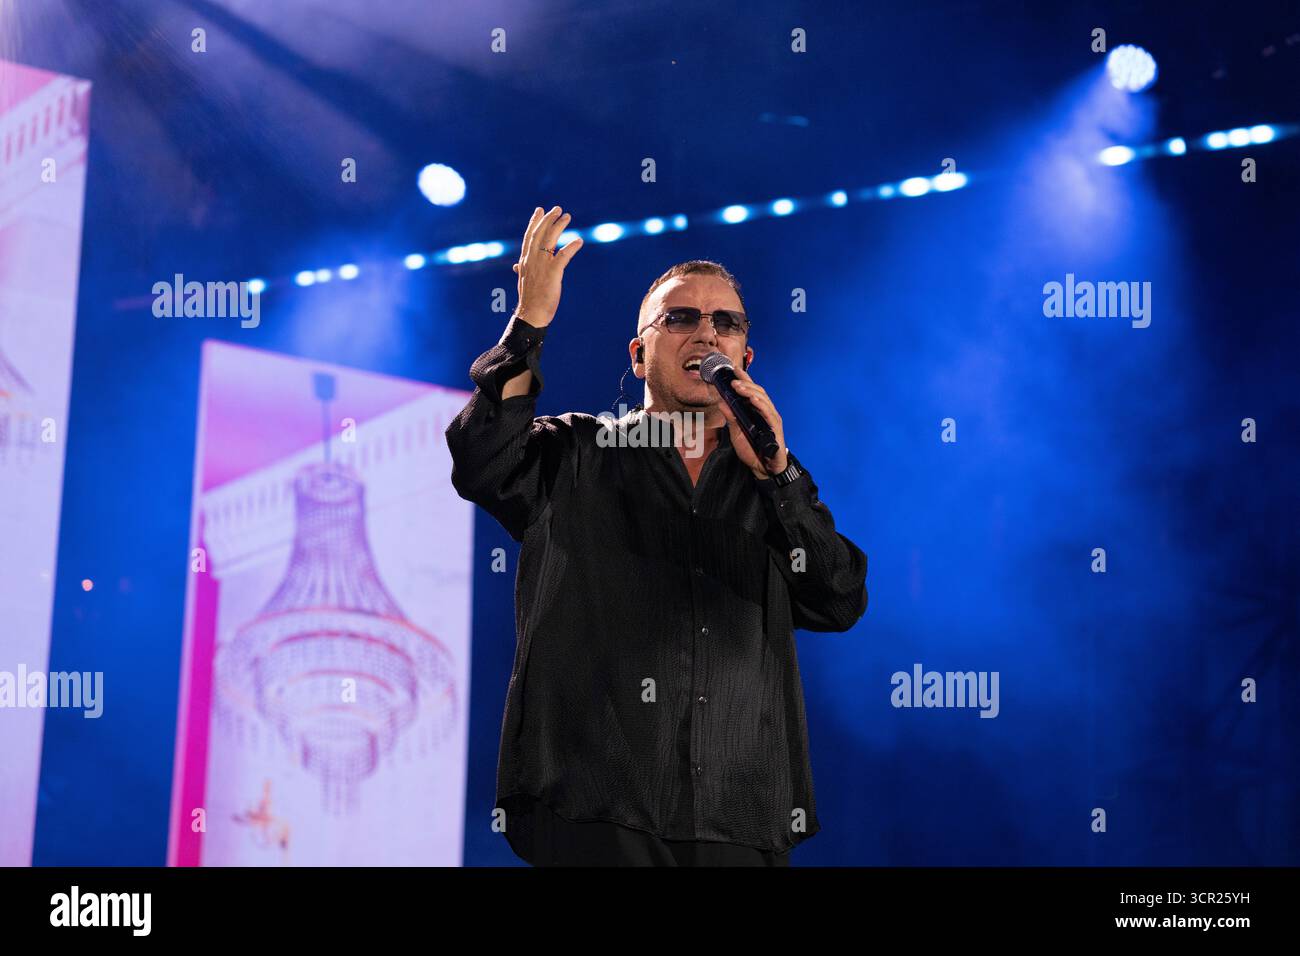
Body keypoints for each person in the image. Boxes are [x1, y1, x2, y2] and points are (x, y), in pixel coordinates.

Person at [445, 205, 868, 866]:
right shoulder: (575, 452)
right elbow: (482, 459)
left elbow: (838, 600)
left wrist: (780, 477)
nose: (706, 332)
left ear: (745, 357)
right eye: (681, 318)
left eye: (725, 322)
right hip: (594, 807)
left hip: (740, 816)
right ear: (639, 355)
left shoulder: (773, 477)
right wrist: (528, 325)